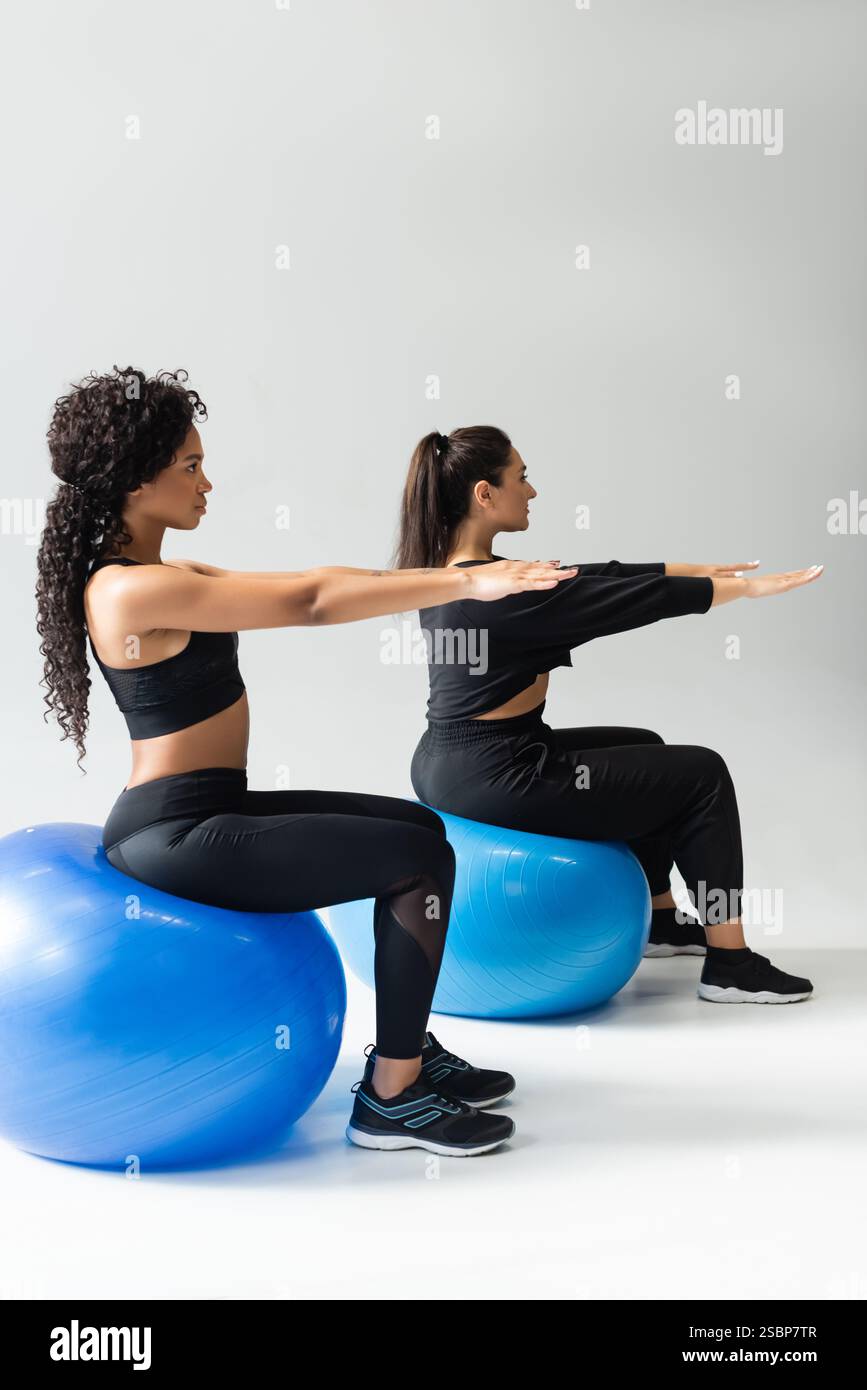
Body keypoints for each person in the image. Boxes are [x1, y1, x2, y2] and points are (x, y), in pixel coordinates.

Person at [35, 368, 577, 1157]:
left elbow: (327, 580)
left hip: (212, 806)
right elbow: (308, 603)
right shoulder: (126, 592)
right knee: (414, 860)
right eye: (190, 466)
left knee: (418, 826)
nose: (207, 482)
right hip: (173, 831)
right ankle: (391, 1097)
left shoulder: (170, 575)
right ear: (135, 477)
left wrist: (460, 578)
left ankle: (407, 1049)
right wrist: (475, 582)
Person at [396, 426, 822, 1004]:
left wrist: (697, 569)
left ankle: (665, 922)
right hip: (499, 773)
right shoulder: (510, 593)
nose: (533, 491)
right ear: (484, 494)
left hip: (455, 759)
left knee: (642, 742)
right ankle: (731, 962)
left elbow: (599, 575)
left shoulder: (462, 573)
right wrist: (741, 591)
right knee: (703, 774)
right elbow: (629, 601)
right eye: (521, 477)